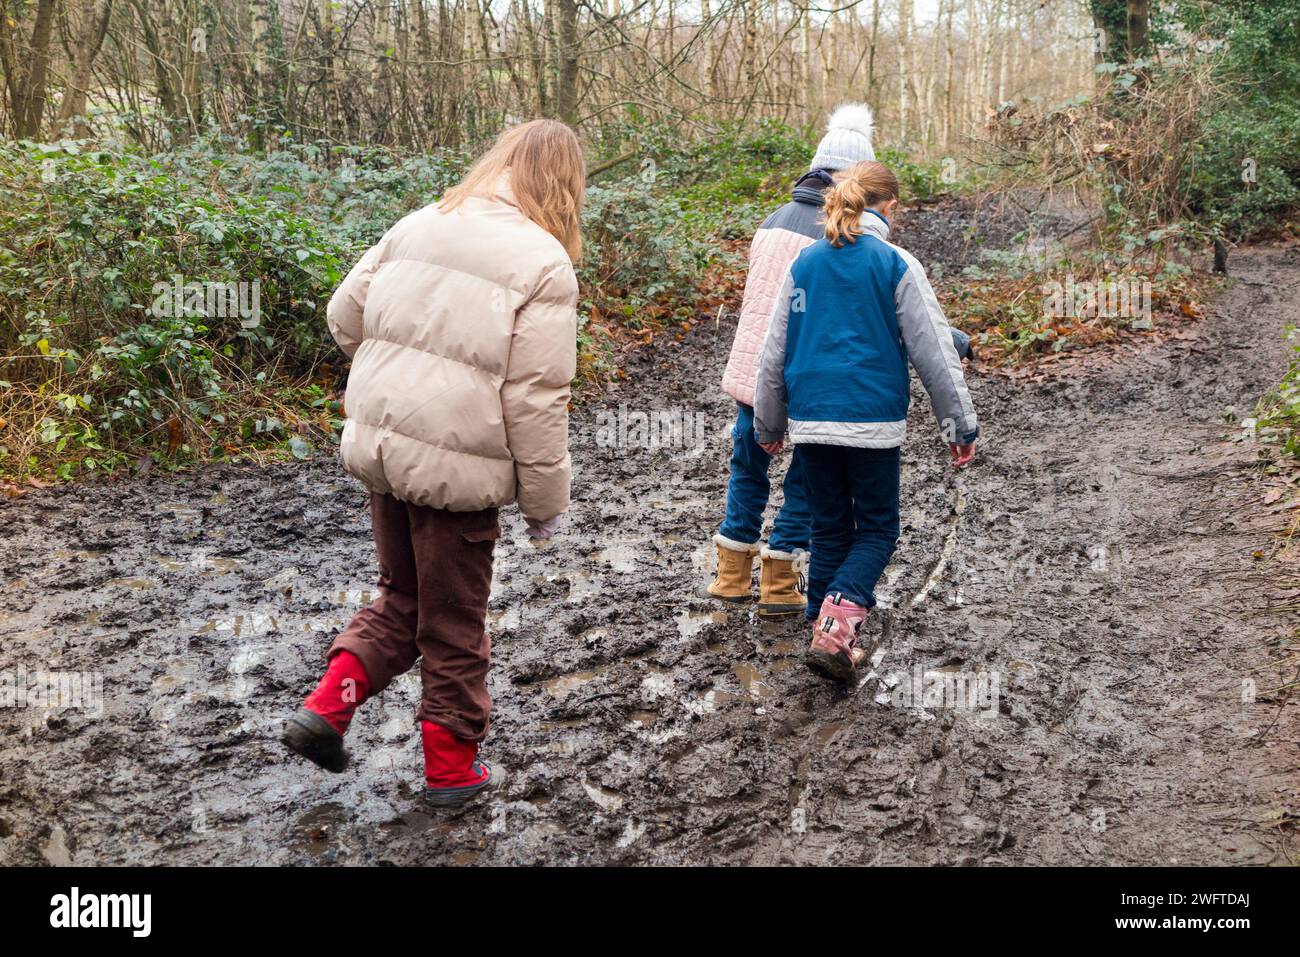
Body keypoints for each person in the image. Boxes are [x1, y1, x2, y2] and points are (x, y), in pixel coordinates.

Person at [281, 119, 584, 808]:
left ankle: (327, 708)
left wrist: (403, 368)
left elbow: (342, 316)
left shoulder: (419, 222)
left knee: (402, 597)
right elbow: (536, 398)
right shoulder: (543, 262)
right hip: (458, 473)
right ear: (564, 187)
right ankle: (451, 771)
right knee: (453, 623)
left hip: (385, 451)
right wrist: (544, 503)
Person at [706, 103, 971, 617]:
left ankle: (731, 574)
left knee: (749, 470)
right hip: (804, 379)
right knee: (805, 485)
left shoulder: (774, 218)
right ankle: (781, 583)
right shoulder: (833, 230)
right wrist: (950, 341)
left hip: (756, 370)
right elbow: (854, 306)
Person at [753, 160, 979, 683]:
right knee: (876, 530)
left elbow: (773, 354)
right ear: (890, 207)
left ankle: (824, 632)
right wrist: (960, 427)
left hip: (811, 421)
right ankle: (838, 621)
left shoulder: (803, 265)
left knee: (829, 528)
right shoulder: (896, 264)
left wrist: (769, 425)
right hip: (871, 423)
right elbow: (935, 354)